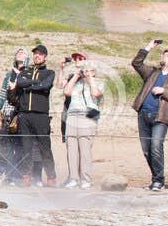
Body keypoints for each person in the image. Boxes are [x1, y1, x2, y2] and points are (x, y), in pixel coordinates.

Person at [131, 41, 168, 190]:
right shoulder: (153, 73)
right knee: (146, 149)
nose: (164, 57)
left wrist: (164, 91)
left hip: (160, 116)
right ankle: (156, 178)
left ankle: (159, 180)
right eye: (164, 54)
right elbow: (136, 63)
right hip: (143, 113)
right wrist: (148, 47)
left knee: (155, 146)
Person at [7, 44, 56, 186]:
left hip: (41, 115)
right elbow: (20, 83)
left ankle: (51, 177)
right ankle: (26, 176)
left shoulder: (49, 73)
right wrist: (35, 83)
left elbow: (46, 85)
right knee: (26, 147)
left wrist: (30, 84)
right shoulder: (25, 71)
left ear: (45, 57)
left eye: (40, 54)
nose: (37, 56)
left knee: (45, 147)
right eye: (35, 53)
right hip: (24, 115)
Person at [60, 56, 102, 189]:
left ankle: (86, 179)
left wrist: (90, 79)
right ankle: (73, 178)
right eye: (85, 70)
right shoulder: (76, 82)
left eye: (89, 70)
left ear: (94, 72)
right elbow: (66, 92)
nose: (86, 71)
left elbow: (96, 94)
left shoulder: (98, 82)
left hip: (87, 116)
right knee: (71, 149)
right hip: (72, 115)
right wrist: (76, 76)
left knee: (85, 150)